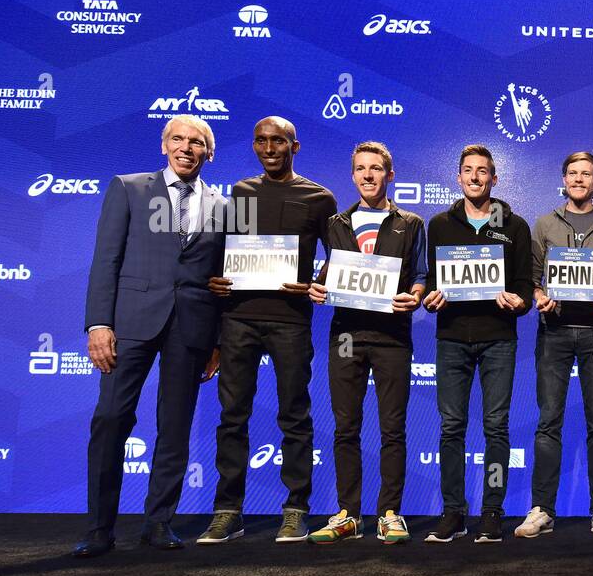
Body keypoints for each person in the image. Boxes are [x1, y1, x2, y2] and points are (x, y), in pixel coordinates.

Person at [75, 114, 227, 557]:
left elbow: (223, 276)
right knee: (111, 418)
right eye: (177, 139)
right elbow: (106, 259)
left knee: (175, 426)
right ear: (164, 146)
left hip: (192, 326)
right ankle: (99, 529)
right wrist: (99, 324)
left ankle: (159, 523)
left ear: (208, 153)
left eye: (196, 142)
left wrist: (217, 339)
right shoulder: (128, 187)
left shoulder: (224, 206)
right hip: (131, 322)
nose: (186, 148)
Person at [199, 117, 336, 545]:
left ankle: (296, 511)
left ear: (295, 146)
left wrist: (316, 284)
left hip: (290, 320)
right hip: (237, 318)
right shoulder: (241, 192)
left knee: (294, 415)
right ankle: (227, 512)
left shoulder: (320, 197)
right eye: (261, 140)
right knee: (232, 416)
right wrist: (217, 282)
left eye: (278, 140)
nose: (269, 148)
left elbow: (339, 255)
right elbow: (228, 252)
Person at [306, 142, 426, 544]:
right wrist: (317, 288)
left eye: (376, 168)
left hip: (392, 335)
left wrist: (417, 294)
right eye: (361, 168)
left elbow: (420, 274)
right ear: (353, 175)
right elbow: (330, 273)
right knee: (346, 427)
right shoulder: (335, 222)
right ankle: (348, 514)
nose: (368, 175)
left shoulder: (411, 222)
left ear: (389, 175)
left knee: (393, 428)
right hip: (346, 335)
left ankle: (390, 513)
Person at [422, 145, 533, 543]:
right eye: (468, 170)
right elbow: (431, 281)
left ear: (494, 179)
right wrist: (429, 298)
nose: (474, 177)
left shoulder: (515, 225)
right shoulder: (439, 224)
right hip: (451, 337)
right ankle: (453, 512)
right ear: (458, 178)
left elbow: (524, 285)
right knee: (451, 427)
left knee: (496, 427)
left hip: (498, 339)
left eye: (482, 171)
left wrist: (520, 302)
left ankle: (491, 512)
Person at [515, 152, 593, 540]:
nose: (579, 179)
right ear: (564, 179)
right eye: (572, 173)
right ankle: (542, 509)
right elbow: (532, 276)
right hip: (555, 331)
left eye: (586, 174)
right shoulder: (545, 224)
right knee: (549, 421)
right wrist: (539, 295)